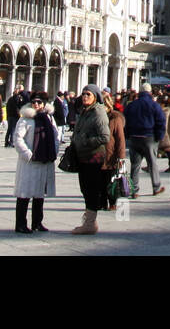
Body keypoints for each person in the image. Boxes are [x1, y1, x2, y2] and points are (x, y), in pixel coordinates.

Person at [13, 91, 59, 234]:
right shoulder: (25, 119)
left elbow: (56, 136)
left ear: (44, 104)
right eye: (34, 102)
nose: (36, 105)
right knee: (24, 193)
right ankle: (20, 223)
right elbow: (17, 138)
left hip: (44, 160)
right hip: (29, 162)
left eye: (39, 102)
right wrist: (28, 154)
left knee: (39, 193)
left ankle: (37, 222)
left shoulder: (49, 118)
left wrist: (54, 151)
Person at [69, 85, 111, 235]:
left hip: (93, 157)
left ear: (95, 97)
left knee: (91, 190)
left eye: (88, 94)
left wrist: (85, 141)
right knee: (85, 189)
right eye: (83, 94)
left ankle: (89, 223)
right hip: (83, 157)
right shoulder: (85, 111)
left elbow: (105, 137)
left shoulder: (98, 113)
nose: (84, 96)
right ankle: (90, 221)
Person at [124, 83, 167, 198]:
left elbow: (125, 121)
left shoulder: (132, 105)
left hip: (134, 137)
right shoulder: (154, 105)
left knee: (135, 165)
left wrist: (128, 135)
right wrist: (159, 136)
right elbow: (161, 122)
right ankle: (156, 187)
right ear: (150, 92)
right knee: (152, 163)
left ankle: (134, 190)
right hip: (149, 137)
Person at [102, 91, 127, 211]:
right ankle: (102, 202)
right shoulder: (94, 116)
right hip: (97, 155)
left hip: (111, 155)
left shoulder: (115, 118)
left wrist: (121, 157)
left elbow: (120, 139)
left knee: (111, 181)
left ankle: (112, 202)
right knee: (99, 181)